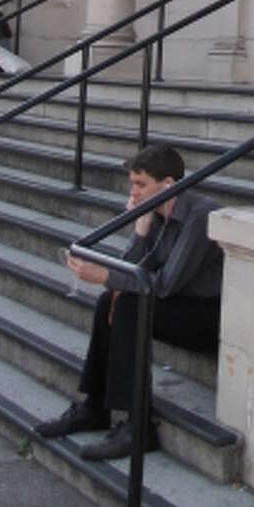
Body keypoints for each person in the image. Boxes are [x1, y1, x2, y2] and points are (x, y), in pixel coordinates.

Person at [35, 143, 222, 461]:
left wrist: (104, 275)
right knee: (113, 298)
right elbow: (133, 267)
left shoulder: (199, 215)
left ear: (168, 186)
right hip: (176, 303)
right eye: (132, 183)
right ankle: (94, 406)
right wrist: (139, 229)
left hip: (208, 315)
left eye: (140, 184)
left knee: (128, 303)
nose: (133, 192)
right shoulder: (156, 213)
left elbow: (163, 284)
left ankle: (138, 427)